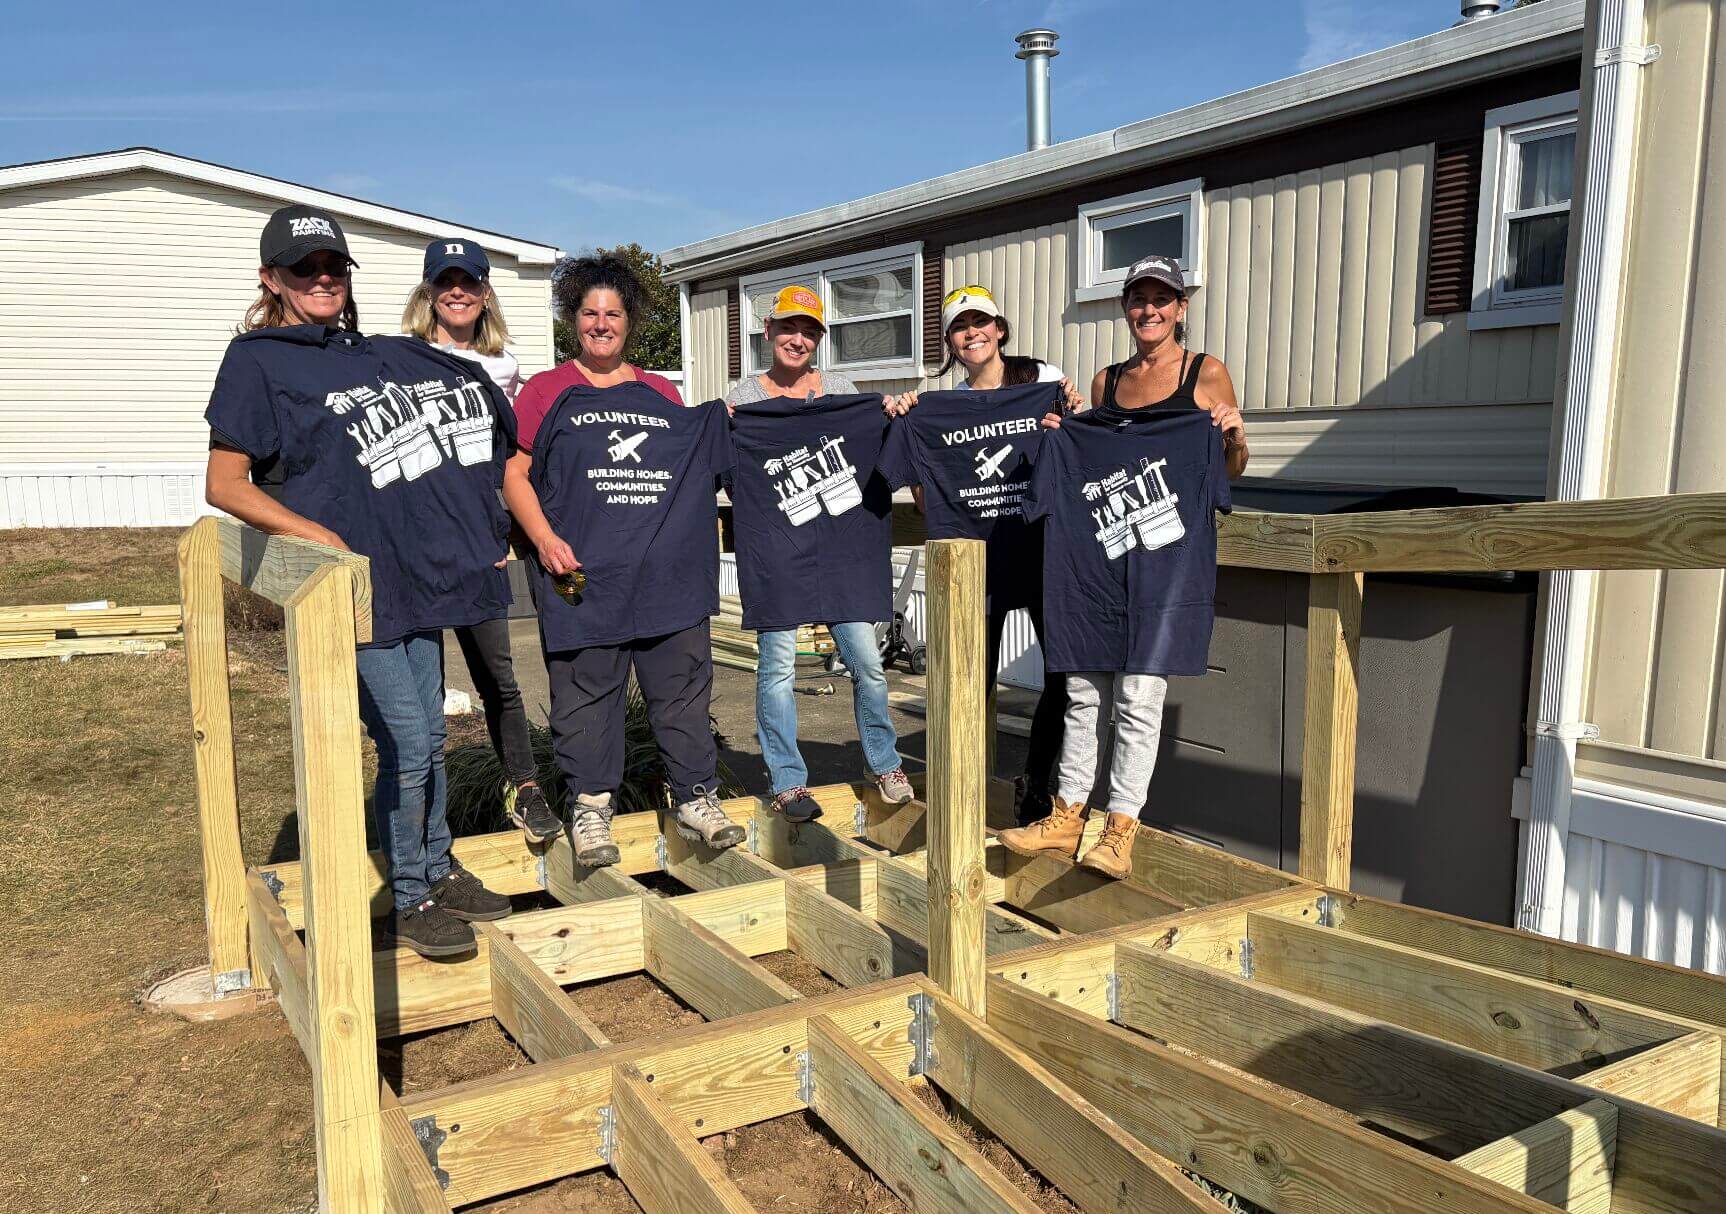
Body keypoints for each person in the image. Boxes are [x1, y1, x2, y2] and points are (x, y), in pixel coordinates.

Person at [204, 205, 517, 956]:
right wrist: (322, 542)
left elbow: (458, 423)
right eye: (303, 268)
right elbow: (225, 483)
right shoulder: (258, 361)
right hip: (349, 591)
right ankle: (410, 898)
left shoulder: (378, 355)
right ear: (270, 278)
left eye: (333, 267)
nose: (321, 279)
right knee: (409, 742)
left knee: (434, 737)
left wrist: (483, 521)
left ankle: (438, 869)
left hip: (414, 582)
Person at [1002, 253, 1247, 879]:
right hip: (1099, 562)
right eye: (1138, 299)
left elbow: (1229, 474)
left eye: (1161, 299)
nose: (1149, 310)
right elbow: (1097, 459)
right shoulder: (1108, 380)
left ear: (1180, 308)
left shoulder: (1205, 371)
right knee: (1085, 692)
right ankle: (1066, 815)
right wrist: (1065, 432)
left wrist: (1233, 436)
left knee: (1139, 696)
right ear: (1126, 308)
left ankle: (1120, 827)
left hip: (1168, 563)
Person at [503, 255, 742, 864]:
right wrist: (543, 538)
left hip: (665, 580)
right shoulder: (544, 391)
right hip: (580, 578)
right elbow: (515, 474)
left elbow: (707, 464)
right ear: (573, 319)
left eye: (612, 313)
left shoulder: (662, 393)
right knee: (585, 697)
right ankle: (591, 812)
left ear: (629, 321)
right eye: (589, 313)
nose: (601, 324)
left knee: (682, 691)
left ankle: (696, 799)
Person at [882, 285, 1083, 823]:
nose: (972, 333)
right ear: (950, 341)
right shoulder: (935, 411)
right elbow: (925, 498)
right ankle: (964, 792)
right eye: (959, 326)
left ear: (999, 329)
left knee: (1064, 678)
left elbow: (1078, 450)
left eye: (981, 322)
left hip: (1043, 552)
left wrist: (1071, 417)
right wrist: (907, 421)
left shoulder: (1043, 381)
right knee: (973, 682)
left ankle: (1035, 781)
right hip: (977, 565)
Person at [723, 286, 914, 823]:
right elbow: (731, 475)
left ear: (819, 340)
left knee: (868, 665)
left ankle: (886, 762)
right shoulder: (745, 399)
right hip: (778, 552)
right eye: (788, 328)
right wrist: (725, 423)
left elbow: (881, 446)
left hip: (844, 553)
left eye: (809, 332)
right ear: (768, 332)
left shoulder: (842, 390)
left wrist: (893, 413)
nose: (797, 340)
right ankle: (787, 780)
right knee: (777, 668)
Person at [402, 238, 560, 847]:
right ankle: (425, 823)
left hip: (479, 551)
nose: (458, 291)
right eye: (446, 282)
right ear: (429, 293)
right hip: (414, 553)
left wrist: (506, 531)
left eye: (468, 281)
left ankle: (525, 789)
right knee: (423, 696)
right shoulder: (400, 361)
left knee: (498, 678)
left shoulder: (506, 369)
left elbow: (509, 466)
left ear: (486, 292)